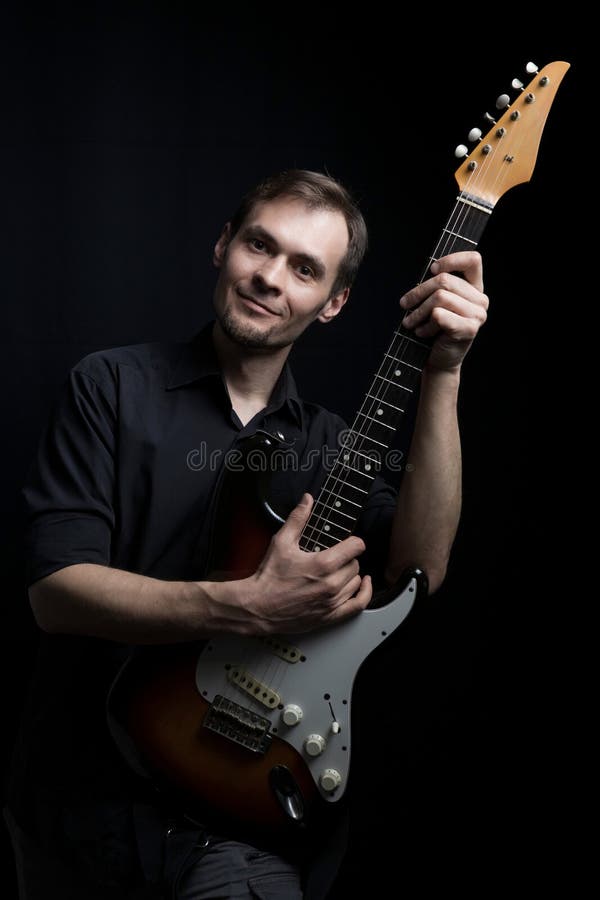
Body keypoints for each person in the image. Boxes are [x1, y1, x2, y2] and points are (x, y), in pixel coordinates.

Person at [5, 169, 488, 899]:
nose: (269, 277)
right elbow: (55, 593)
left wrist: (445, 371)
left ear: (334, 303)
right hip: (81, 808)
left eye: (304, 268)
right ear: (222, 245)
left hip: (246, 820)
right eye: (259, 245)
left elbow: (423, 568)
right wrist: (247, 606)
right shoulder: (108, 387)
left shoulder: (337, 449)